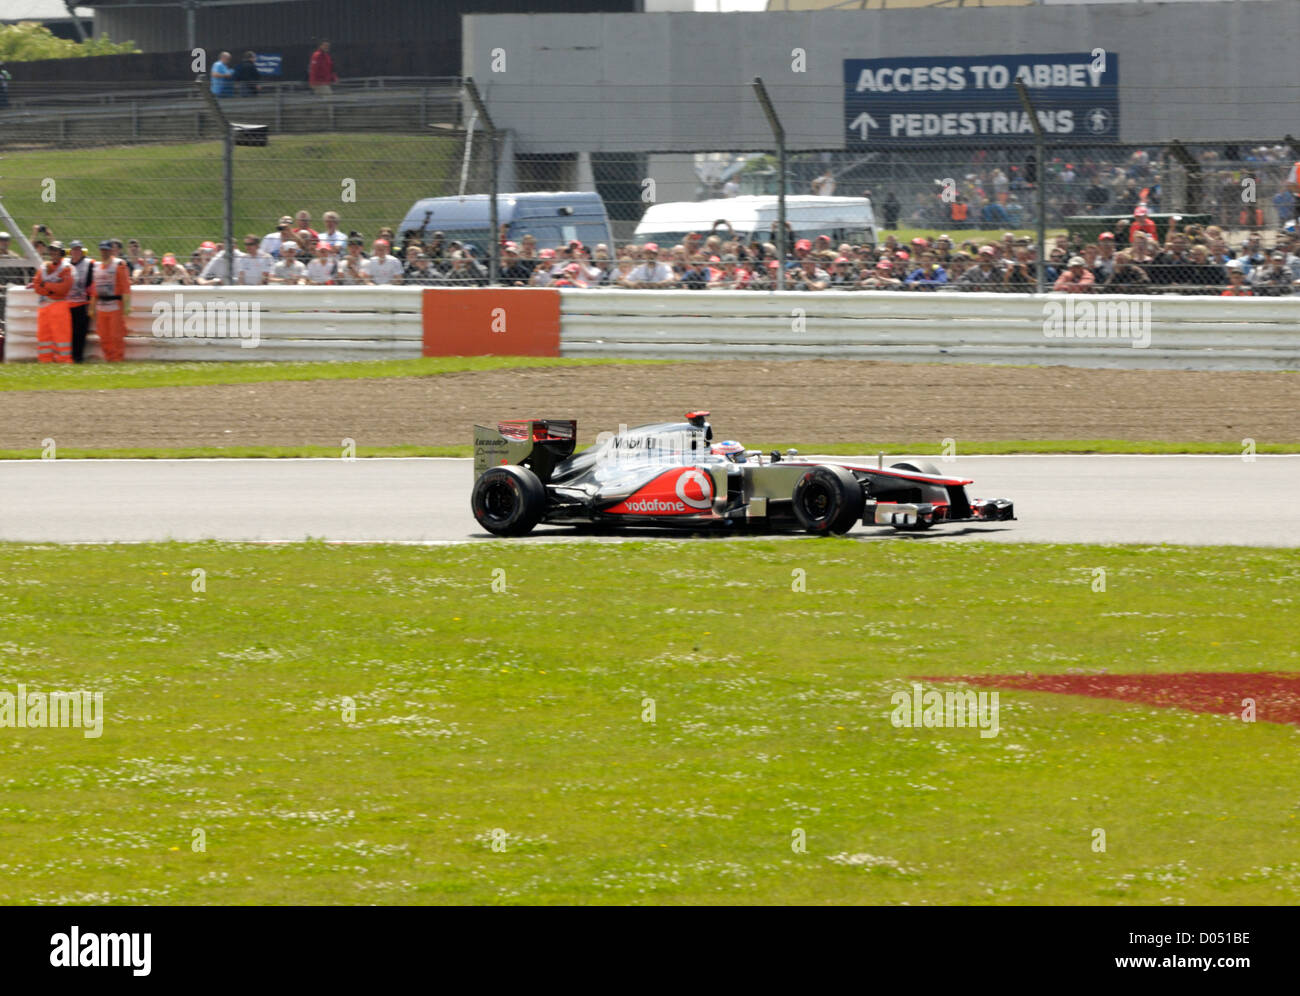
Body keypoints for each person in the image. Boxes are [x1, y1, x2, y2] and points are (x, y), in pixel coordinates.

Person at [30, 242, 75, 364]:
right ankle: (45, 360)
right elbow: (37, 286)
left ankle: (64, 360)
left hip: (60, 305)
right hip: (45, 306)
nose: (53, 253)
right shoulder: (44, 267)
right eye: (51, 250)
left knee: (61, 335)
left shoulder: (67, 268)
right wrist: (52, 290)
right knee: (43, 335)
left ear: (61, 253)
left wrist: (47, 286)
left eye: (56, 251)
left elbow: (64, 288)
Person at [89, 239, 131, 362]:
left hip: (115, 305)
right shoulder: (97, 267)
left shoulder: (118, 265)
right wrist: (92, 308)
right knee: (103, 336)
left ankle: (117, 359)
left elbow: (125, 286)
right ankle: (109, 358)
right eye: (102, 250)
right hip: (101, 306)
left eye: (106, 250)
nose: (104, 252)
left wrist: (127, 305)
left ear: (111, 251)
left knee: (116, 335)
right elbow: (94, 290)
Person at [64, 241, 94, 363]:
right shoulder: (65, 264)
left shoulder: (89, 264)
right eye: (74, 250)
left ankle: (78, 358)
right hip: (66, 304)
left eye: (79, 250)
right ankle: (67, 357)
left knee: (80, 333)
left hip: (82, 304)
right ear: (70, 252)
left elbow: (92, 284)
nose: (76, 252)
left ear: (82, 251)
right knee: (67, 332)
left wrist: (91, 304)